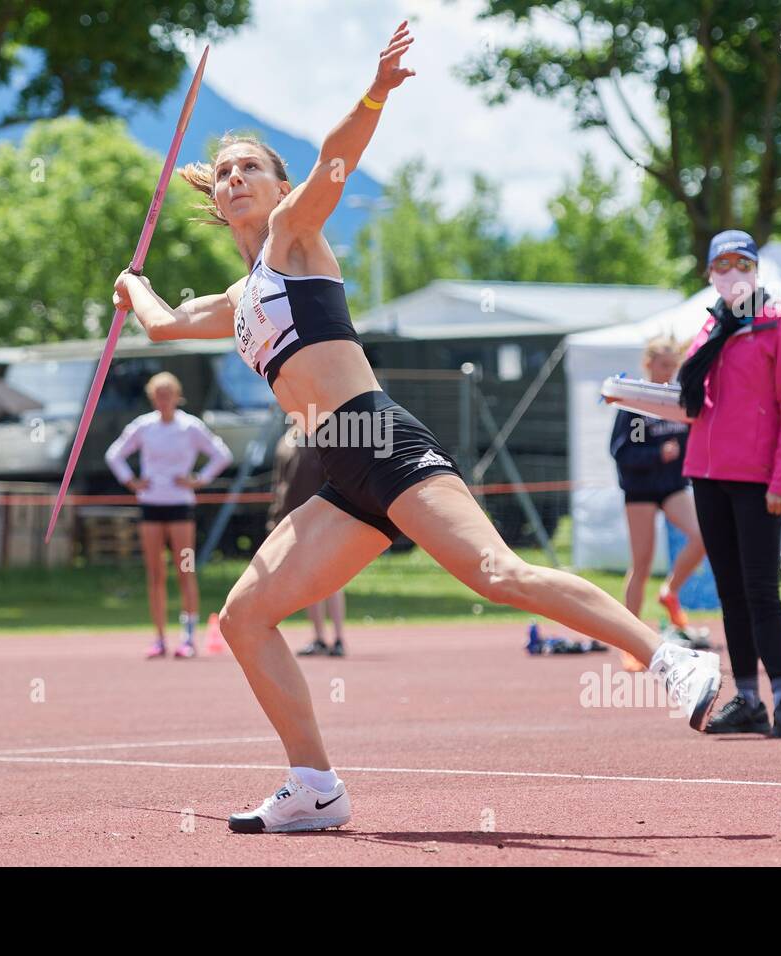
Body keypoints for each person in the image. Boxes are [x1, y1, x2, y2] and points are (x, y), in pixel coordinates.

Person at [114, 21, 720, 835]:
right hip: (339, 474)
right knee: (243, 617)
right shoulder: (240, 295)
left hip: (377, 439)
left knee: (498, 575)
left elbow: (338, 156)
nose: (233, 178)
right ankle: (315, 786)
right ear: (214, 199)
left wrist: (375, 94)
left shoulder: (296, 236)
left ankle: (670, 660)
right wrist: (131, 289)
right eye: (223, 173)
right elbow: (163, 323)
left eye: (249, 166)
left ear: (278, 184)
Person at [677, 229, 781, 739]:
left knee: (762, 589)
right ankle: (749, 699)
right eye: (721, 265)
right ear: (710, 272)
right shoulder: (709, 326)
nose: (731, 273)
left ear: (756, 269)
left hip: (758, 479)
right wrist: (639, 401)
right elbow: (694, 402)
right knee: (730, 592)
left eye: (740, 263)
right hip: (707, 475)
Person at [105, 372, 232, 658]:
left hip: (180, 506)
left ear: (177, 396)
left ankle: (187, 638)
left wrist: (199, 479)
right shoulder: (143, 426)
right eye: (158, 395)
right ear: (152, 397)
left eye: (168, 394)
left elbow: (221, 454)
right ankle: (160, 638)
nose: (163, 400)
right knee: (155, 573)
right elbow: (114, 454)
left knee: (185, 570)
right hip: (151, 505)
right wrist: (131, 481)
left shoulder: (190, 427)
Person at [609, 336, 707, 660]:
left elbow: (695, 434)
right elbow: (620, 451)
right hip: (640, 490)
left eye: (673, 365)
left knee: (702, 536)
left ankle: (670, 591)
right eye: (663, 365)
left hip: (672, 487)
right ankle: (631, 644)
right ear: (648, 364)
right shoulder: (636, 400)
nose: (669, 371)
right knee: (642, 564)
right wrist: (656, 453)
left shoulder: (676, 399)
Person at [266, 423, 347, 657]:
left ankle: (339, 637)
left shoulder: (326, 439)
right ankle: (319, 637)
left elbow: (337, 482)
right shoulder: (286, 441)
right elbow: (279, 485)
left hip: (324, 520)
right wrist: (275, 518)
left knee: (333, 580)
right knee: (310, 582)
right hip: (294, 522)